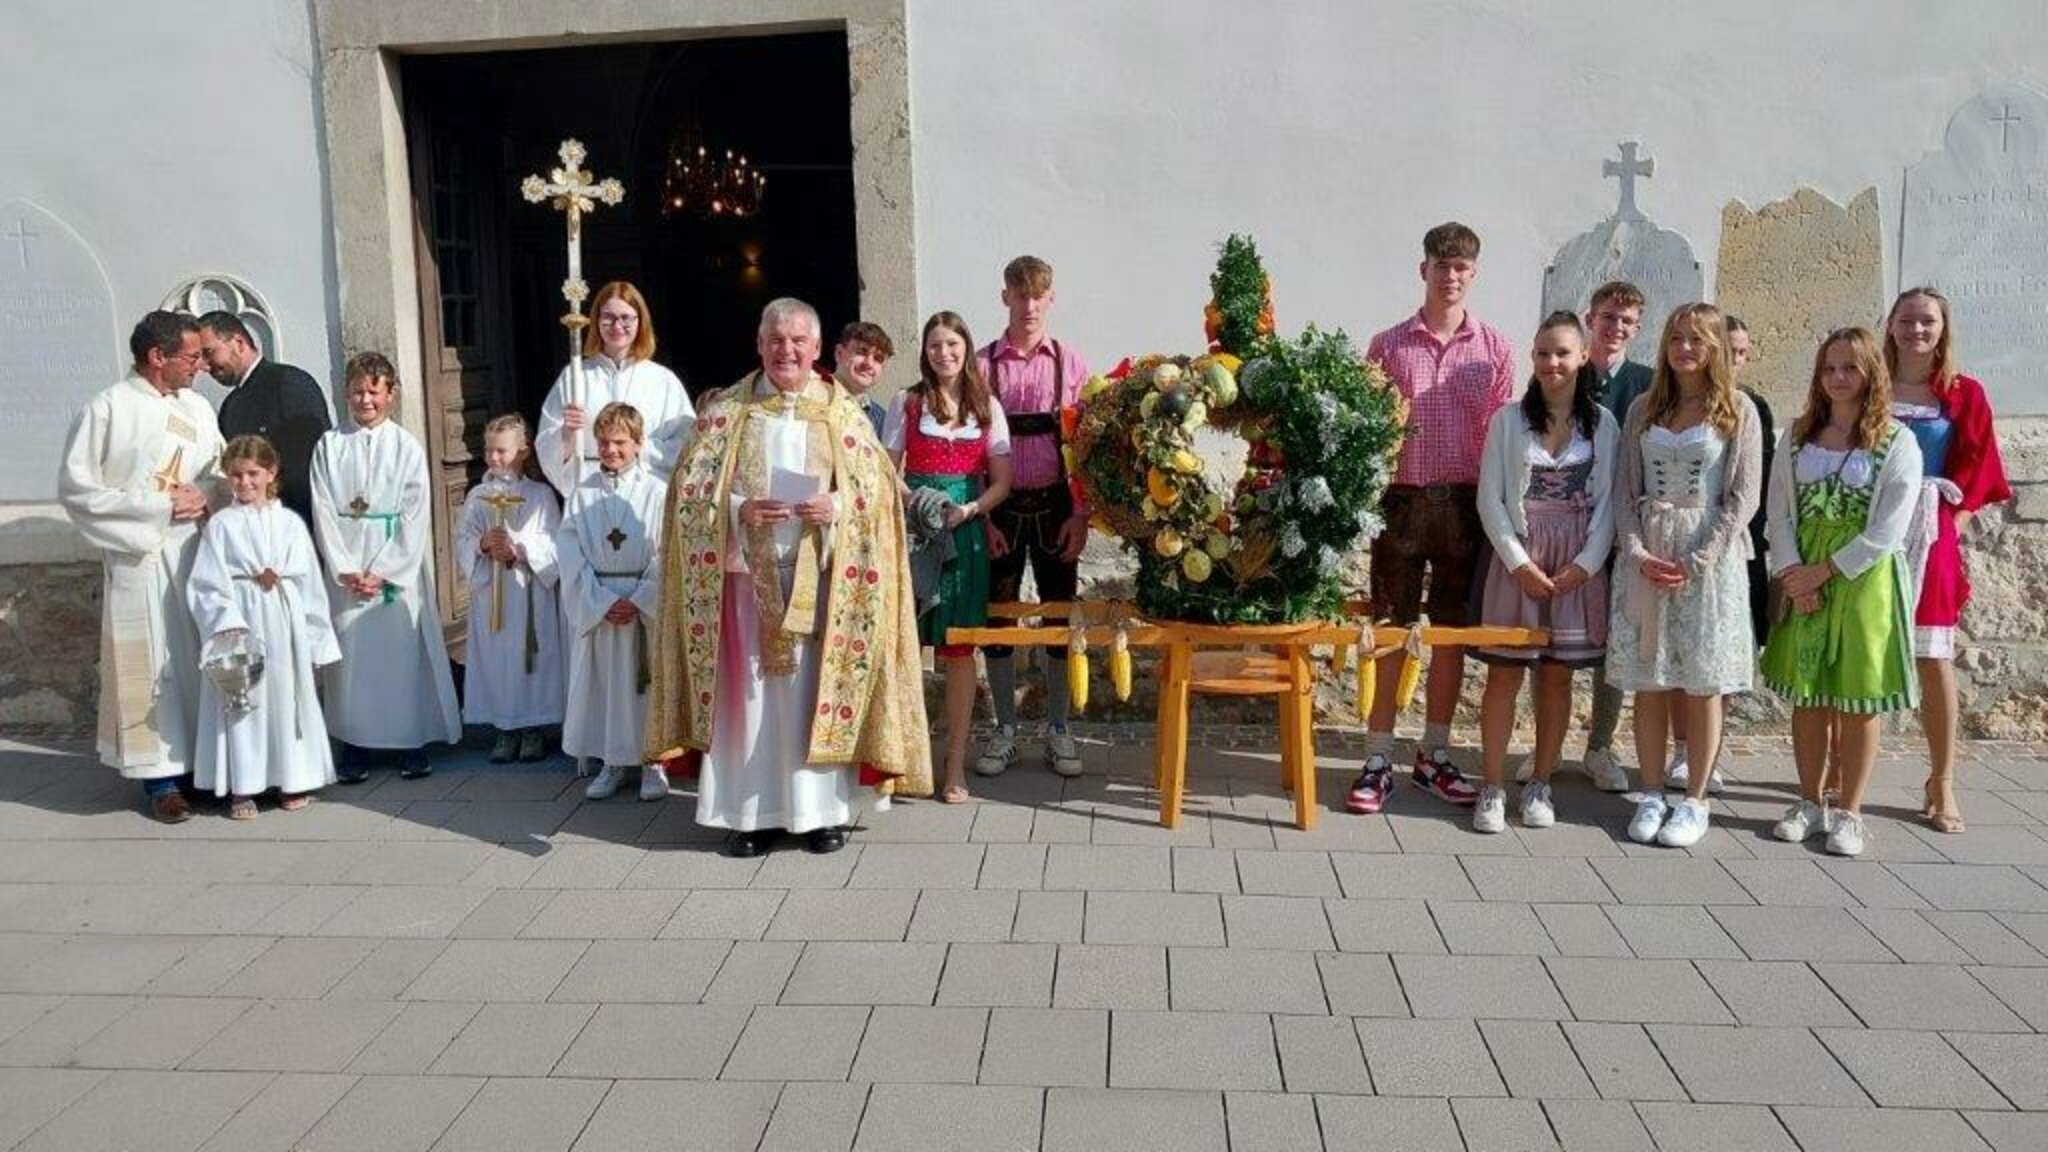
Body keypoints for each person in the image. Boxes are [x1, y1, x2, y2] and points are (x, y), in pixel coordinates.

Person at [646, 297, 931, 857]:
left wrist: (837, 505)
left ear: (818, 349)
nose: (787, 350)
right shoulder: (726, 413)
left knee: (811, 699)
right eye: (776, 339)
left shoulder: (842, 414)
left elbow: (877, 497)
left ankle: (822, 813)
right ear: (759, 344)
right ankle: (748, 815)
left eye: (799, 341)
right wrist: (737, 511)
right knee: (749, 704)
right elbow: (688, 495)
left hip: (822, 585)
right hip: (745, 586)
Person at [1348, 221, 1515, 815]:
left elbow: (1501, 438)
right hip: (1401, 501)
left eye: (1462, 267)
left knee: (1446, 635)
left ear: (1474, 275)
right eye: (1441, 266)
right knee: (1392, 629)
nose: (1451, 276)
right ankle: (1376, 754)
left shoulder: (1494, 348)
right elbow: (1368, 429)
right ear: (1424, 270)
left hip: (1464, 507)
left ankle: (1434, 753)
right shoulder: (1389, 345)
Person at [1761, 328, 1923, 857]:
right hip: (1803, 574)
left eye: (1849, 368)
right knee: (1808, 697)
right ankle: (1809, 801)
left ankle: (1850, 811)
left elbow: (1887, 531)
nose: (1837, 378)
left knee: (1856, 698)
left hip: (1862, 582)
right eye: (1829, 368)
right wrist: (1792, 573)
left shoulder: (1897, 441)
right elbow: (1779, 511)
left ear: (1871, 372)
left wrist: (1824, 572)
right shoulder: (1799, 435)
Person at [57, 311, 223, 823]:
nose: (200, 366)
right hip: (139, 557)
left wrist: (207, 495)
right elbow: (77, 490)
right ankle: (160, 780)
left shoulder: (196, 407)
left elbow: (220, 468)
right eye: (191, 357)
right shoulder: (106, 409)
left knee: (194, 662)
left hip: (192, 554)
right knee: (148, 669)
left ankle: (203, 768)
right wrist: (157, 508)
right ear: (157, 357)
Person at [1608, 303, 1764, 849]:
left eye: (1697, 340)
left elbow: (1744, 497)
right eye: (1677, 338)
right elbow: (1625, 492)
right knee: (1650, 680)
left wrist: (1699, 558)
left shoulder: (1738, 410)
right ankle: (1651, 791)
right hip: (1650, 550)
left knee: (1702, 684)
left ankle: (1694, 798)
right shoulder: (1644, 409)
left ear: (1717, 346)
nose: (1685, 349)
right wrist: (1636, 550)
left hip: (1707, 558)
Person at [1471, 312, 1619, 833]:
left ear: (1583, 356)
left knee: (1557, 679)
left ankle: (1540, 783)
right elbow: (1490, 498)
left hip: (1574, 567)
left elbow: (1609, 505)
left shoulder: (1603, 424)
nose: (1551, 363)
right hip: (1521, 562)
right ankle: (1491, 787)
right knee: (1503, 675)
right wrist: (1519, 562)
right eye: (1542, 354)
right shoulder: (1508, 421)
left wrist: (1586, 565)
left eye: (1562, 353)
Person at [309, 352, 462, 782]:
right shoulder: (329, 445)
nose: (365, 400)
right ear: (346, 394)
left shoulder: (406, 446)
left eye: (373, 391)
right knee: (351, 658)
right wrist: (344, 568)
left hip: (394, 568)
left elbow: (415, 514)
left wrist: (386, 570)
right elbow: (322, 507)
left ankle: (408, 742)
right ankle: (354, 743)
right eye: (357, 391)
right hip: (348, 568)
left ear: (391, 394)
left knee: (400, 655)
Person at [885, 312, 1013, 805]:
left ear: (966, 348)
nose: (944, 353)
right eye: (936, 345)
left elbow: (1002, 481)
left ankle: (955, 762)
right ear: (925, 351)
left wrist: (971, 509)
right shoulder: (908, 402)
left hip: (966, 531)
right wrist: (916, 502)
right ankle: (904, 760)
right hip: (916, 530)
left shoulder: (987, 406)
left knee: (959, 650)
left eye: (953, 344)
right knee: (908, 644)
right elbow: (888, 468)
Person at [976, 255, 1092, 779]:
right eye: (1018, 295)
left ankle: (1059, 728)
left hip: (1054, 509)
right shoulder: (980, 366)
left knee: (1057, 617)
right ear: (1005, 297)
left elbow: (1089, 449)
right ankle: (1004, 728)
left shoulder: (1072, 363)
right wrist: (982, 519)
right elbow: (969, 450)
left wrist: (1082, 514)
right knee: (998, 617)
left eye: (1036, 296)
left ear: (1050, 299)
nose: (1027, 305)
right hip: (999, 511)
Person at [186, 435, 339, 818]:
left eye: (253, 473)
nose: (245, 483)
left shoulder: (289, 523)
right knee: (244, 700)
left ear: (271, 473)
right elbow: (206, 584)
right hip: (241, 621)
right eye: (236, 476)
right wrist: (227, 623)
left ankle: (291, 778)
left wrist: (316, 639)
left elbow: (309, 584)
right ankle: (244, 786)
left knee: (286, 698)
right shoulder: (221, 525)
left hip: (283, 621)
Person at [1568, 281, 1654, 793]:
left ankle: (1600, 745)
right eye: (1607, 318)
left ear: (1636, 328)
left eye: (1625, 321)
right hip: (1568, 527)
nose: (1615, 327)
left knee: (1615, 643)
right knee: (1556, 640)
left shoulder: (1649, 384)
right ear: (1590, 319)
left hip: (1625, 532)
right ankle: (1546, 741)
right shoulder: (1565, 372)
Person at [558, 403, 669, 800]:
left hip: (642, 607)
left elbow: (666, 551)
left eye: (620, 442)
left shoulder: (657, 492)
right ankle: (612, 762)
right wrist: (602, 601)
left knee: (646, 685)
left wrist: (641, 599)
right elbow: (569, 553)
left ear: (639, 444)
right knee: (606, 686)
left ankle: (653, 762)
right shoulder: (581, 493)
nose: (610, 450)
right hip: (601, 604)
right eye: (603, 442)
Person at [455, 414, 565, 764]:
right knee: (498, 658)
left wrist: (519, 548)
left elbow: (554, 540)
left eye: (502, 451)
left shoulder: (540, 494)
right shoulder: (478, 495)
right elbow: (462, 537)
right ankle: (504, 730)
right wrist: (483, 544)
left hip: (528, 590)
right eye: (489, 451)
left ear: (523, 451)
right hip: (493, 593)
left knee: (528, 656)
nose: (494, 458)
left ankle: (533, 729)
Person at [535, 281, 696, 496]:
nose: (617, 326)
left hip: (645, 492)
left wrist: (641, 449)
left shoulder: (662, 380)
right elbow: (546, 445)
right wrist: (566, 435)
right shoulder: (575, 376)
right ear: (596, 321)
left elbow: (688, 444)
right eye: (608, 317)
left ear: (640, 322)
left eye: (626, 317)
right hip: (590, 490)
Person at [197, 312, 332, 524]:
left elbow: (312, 465)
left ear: (238, 342)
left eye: (209, 352)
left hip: (299, 523)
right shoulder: (230, 406)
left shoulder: (289, 384)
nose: (203, 366)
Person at [833, 320, 895, 439]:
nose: (869, 363)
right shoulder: (811, 395)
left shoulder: (881, 420)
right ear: (839, 353)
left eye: (878, 358)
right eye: (862, 352)